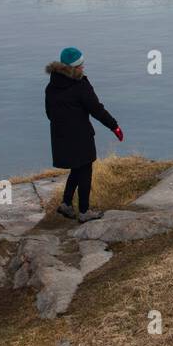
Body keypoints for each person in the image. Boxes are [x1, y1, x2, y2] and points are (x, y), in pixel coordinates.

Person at [45, 46, 123, 222]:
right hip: (80, 136)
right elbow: (97, 110)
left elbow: (49, 114)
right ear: (73, 68)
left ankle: (66, 204)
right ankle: (84, 211)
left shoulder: (51, 86)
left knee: (77, 168)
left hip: (60, 137)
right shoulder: (80, 86)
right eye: (80, 65)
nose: (83, 67)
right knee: (85, 169)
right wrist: (114, 126)